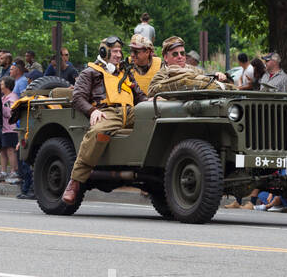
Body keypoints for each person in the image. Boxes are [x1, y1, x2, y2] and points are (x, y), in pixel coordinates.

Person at [62, 37, 147, 205]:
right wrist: (92, 111)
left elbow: (139, 95)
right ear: (104, 52)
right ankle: (75, 182)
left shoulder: (125, 72)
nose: (118, 55)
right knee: (97, 132)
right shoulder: (90, 72)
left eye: (119, 51)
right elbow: (77, 97)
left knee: (156, 119)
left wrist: (151, 102)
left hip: (130, 112)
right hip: (108, 113)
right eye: (114, 51)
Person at [147, 36, 232, 96]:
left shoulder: (196, 71)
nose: (180, 56)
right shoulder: (161, 74)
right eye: (175, 54)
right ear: (166, 57)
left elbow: (209, 81)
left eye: (182, 53)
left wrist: (220, 76)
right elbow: (151, 92)